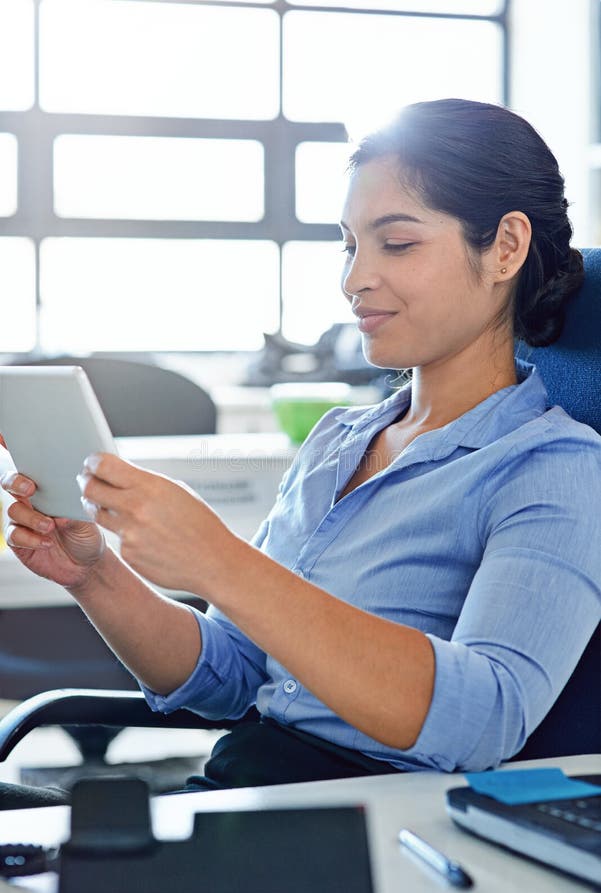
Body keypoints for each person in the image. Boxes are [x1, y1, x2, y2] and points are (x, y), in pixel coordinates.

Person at [2, 98, 601, 808]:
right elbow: (231, 676)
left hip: (374, 822)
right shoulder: (338, 442)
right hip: (243, 796)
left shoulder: (552, 467)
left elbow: (485, 720)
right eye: (349, 245)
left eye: (396, 243)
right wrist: (95, 575)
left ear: (504, 246)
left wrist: (221, 562)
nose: (353, 280)